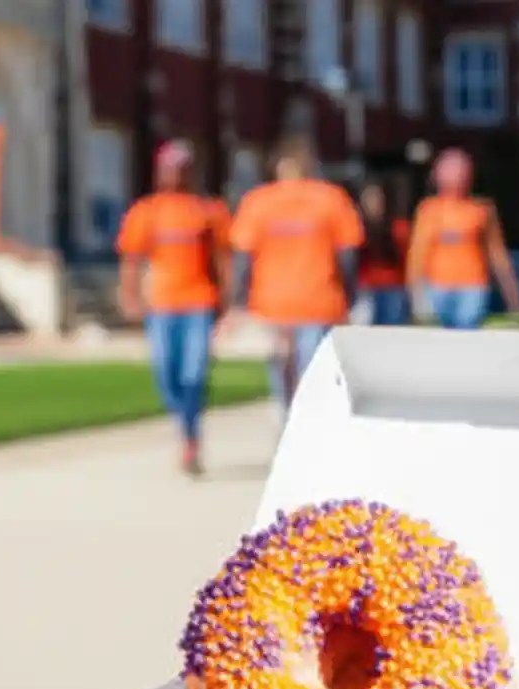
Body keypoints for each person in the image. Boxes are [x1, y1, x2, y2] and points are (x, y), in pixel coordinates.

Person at [115, 140, 231, 475]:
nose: (174, 173)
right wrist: (130, 296)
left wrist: (226, 300)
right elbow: (132, 259)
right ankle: (185, 423)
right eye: (168, 167)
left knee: (193, 373)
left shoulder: (208, 211)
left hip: (199, 301)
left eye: (181, 167)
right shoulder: (147, 212)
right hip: (162, 304)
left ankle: (191, 438)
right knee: (166, 371)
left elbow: (222, 259)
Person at [229, 134, 363, 415]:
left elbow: (243, 258)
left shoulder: (257, 202)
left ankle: (288, 419)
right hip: (319, 300)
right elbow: (348, 255)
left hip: (272, 304)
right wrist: (350, 296)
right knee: (312, 373)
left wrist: (238, 302)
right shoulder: (331, 198)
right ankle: (306, 423)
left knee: (282, 371)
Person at [406, 148, 519, 329]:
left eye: (460, 169)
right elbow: (417, 256)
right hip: (437, 287)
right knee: (436, 341)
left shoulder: (481, 210)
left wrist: (514, 300)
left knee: (467, 337)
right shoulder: (428, 210)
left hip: (472, 286)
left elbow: (497, 255)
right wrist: (416, 296)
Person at [357, 180, 411, 326]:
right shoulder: (355, 228)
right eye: (369, 199)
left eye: (378, 198)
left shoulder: (399, 228)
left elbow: (409, 261)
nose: (374, 204)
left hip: (393, 289)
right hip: (365, 290)